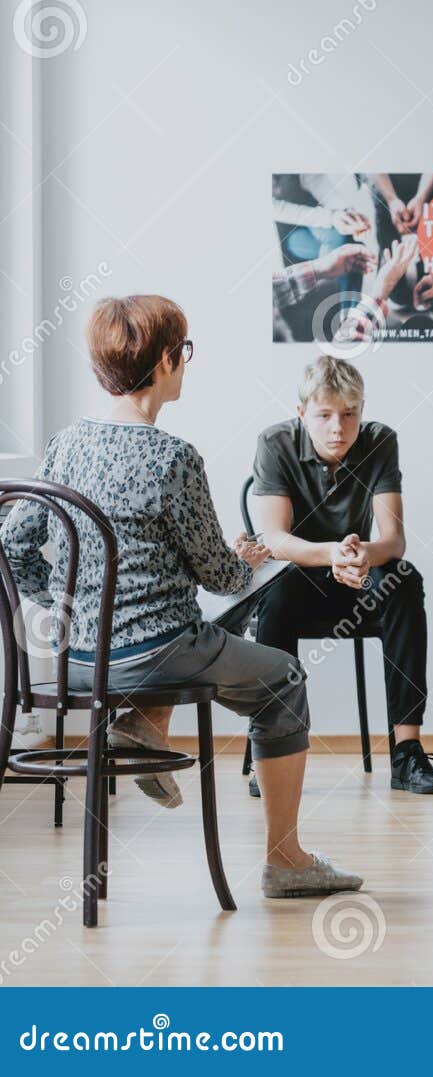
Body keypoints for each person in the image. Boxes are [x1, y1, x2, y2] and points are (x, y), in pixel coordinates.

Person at [0, 295, 362, 898]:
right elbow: (219, 578)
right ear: (166, 359)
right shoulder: (173, 457)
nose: (186, 363)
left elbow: (12, 545)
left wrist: (62, 609)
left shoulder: (65, 446)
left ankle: (144, 721)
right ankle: (286, 861)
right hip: (158, 651)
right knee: (286, 680)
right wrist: (246, 557)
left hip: (76, 661)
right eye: (184, 352)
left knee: (203, 623)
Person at [250, 355, 433, 796]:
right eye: (324, 415)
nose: (338, 427)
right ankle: (274, 749)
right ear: (302, 414)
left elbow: (393, 540)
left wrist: (360, 555)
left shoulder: (379, 441)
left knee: (404, 579)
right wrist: (330, 553)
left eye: (349, 414)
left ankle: (407, 753)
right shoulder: (275, 442)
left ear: (361, 411)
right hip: (297, 580)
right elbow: (276, 539)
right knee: (272, 591)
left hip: (356, 577)